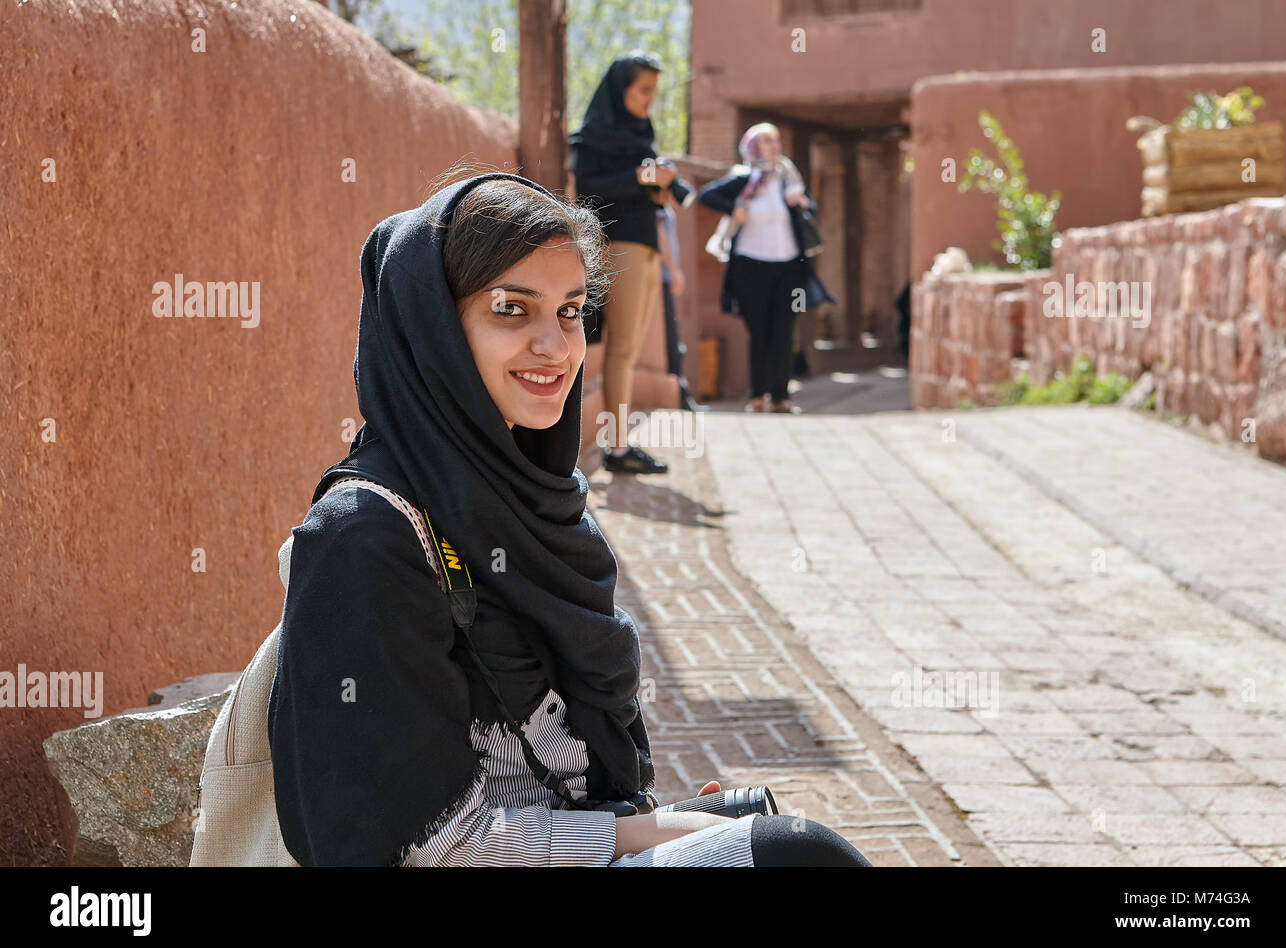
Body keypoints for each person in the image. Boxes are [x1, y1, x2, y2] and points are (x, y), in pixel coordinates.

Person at [266, 166, 870, 867]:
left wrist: (650, 819)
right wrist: (647, 835)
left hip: (558, 833)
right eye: (511, 310)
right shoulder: (365, 538)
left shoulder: (530, 499)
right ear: (432, 329)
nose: (555, 347)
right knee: (798, 856)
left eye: (571, 310)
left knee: (756, 828)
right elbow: (418, 847)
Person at [570, 51, 673, 474]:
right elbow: (589, 187)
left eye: (654, 91)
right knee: (623, 348)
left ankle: (619, 445)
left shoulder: (641, 136)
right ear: (620, 89)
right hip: (620, 245)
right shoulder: (593, 136)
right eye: (643, 89)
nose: (650, 99)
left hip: (647, 246)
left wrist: (658, 190)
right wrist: (641, 179)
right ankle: (617, 449)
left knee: (628, 350)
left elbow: (636, 190)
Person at [699, 123, 834, 413]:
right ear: (753, 147)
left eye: (776, 140)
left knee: (784, 330)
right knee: (758, 331)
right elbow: (706, 195)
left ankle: (781, 398)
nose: (774, 146)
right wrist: (734, 209)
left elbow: (811, 210)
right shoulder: (744, 178)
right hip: (751, 266)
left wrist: (801, 202)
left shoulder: (788, 178)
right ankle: (758, 396)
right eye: (767, 141)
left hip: (788, 266)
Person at [656, 200, 707, 412]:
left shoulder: (663, 205)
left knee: (674, 339)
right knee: (671, 339)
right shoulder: (656, 205)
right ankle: (679, 397)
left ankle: (681, 396)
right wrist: (674, 269)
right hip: (660, 278)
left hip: (664, 278)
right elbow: (659, 234)